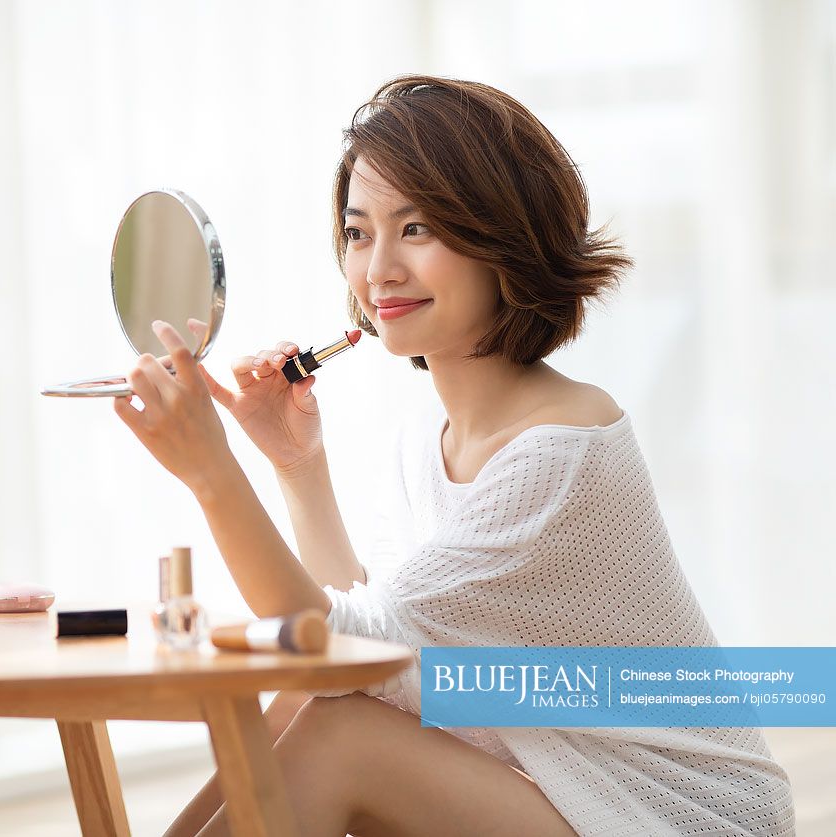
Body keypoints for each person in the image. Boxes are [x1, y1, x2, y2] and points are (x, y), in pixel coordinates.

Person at [112, 75, 795, 836]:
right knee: (324, 701)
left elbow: (342, 641)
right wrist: (296, 465)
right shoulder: (425, 445)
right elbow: (362, 649)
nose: (377, 272)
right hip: (575, 802)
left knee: (342, 736)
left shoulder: (558, 451)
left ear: (503, 238)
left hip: (684, 819)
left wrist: (211, 469)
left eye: (417, 228)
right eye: (358, 232)